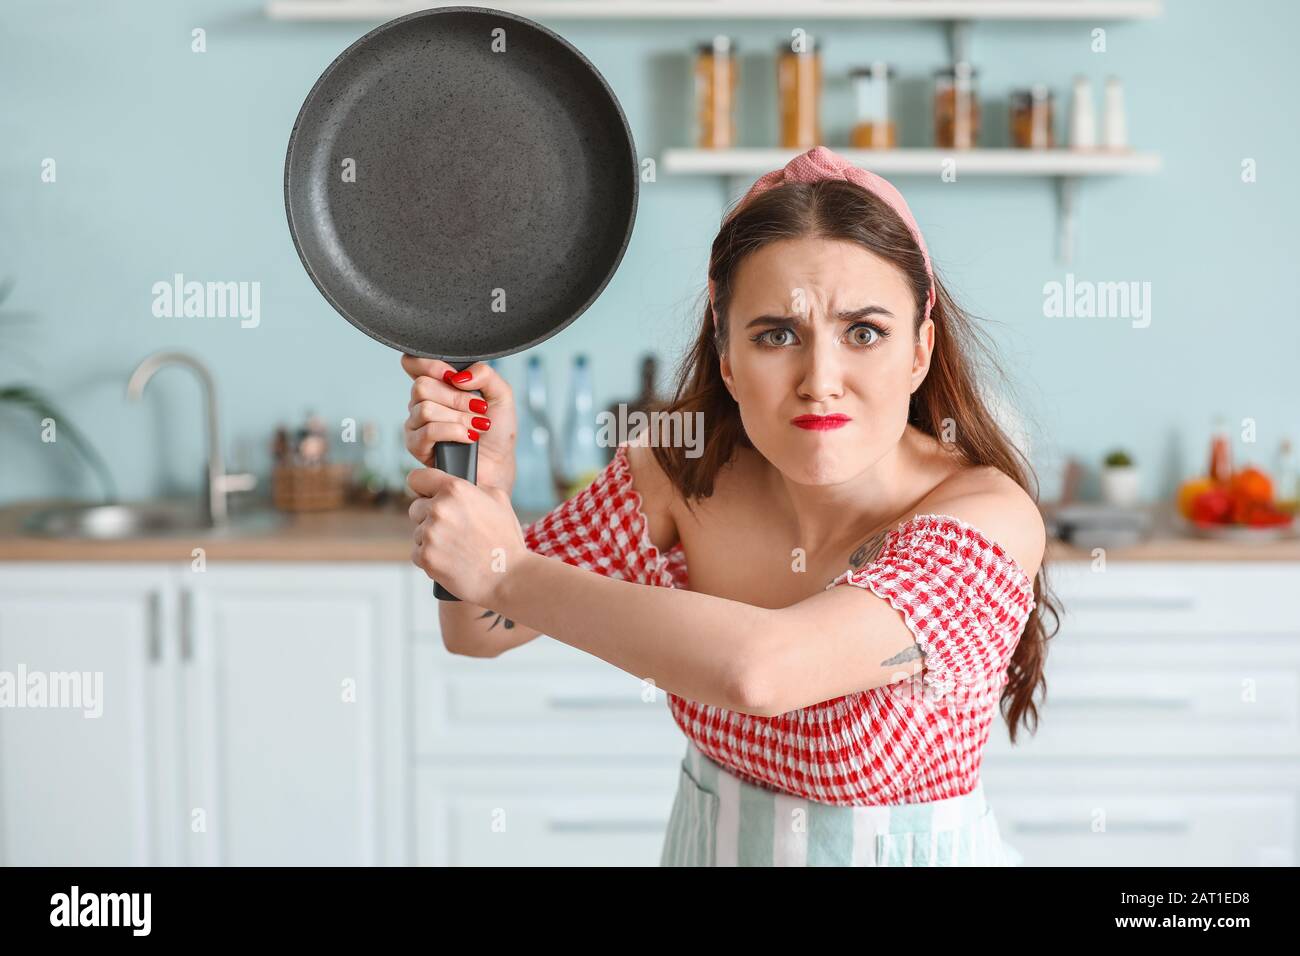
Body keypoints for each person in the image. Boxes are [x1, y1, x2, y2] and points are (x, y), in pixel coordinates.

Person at [401, 145, 1057, 866]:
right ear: (726, 356)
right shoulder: (680, 473)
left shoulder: (985, 521)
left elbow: (761, 673)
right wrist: (485, 488)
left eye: (863, 333)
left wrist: (506, 570)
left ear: (918, 351)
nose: (820, 381)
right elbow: (479, 629)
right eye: (777, 334)